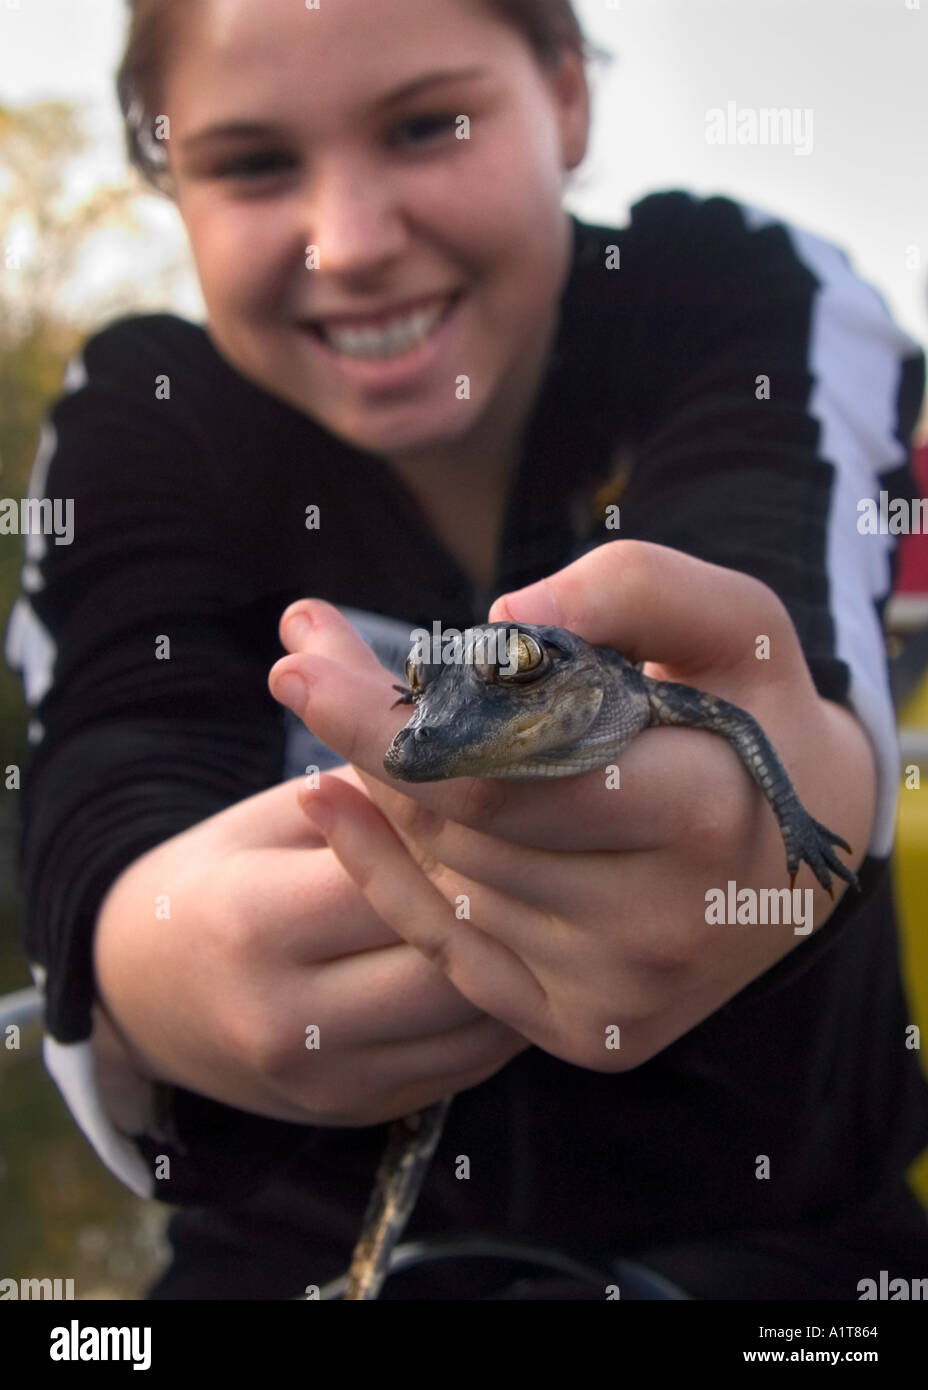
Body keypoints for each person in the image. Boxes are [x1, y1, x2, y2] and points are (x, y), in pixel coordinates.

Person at [6, 0, 928, 1300]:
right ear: (168, 177)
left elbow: (787, 666)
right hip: (285, 1263)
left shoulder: (732, 290)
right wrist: (164, 963)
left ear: (565, 94)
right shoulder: (143, 418)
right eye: (254, 162)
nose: (353, 241)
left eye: (429, 123)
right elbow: (108, 764)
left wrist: (783, 807)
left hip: (785, 1262)